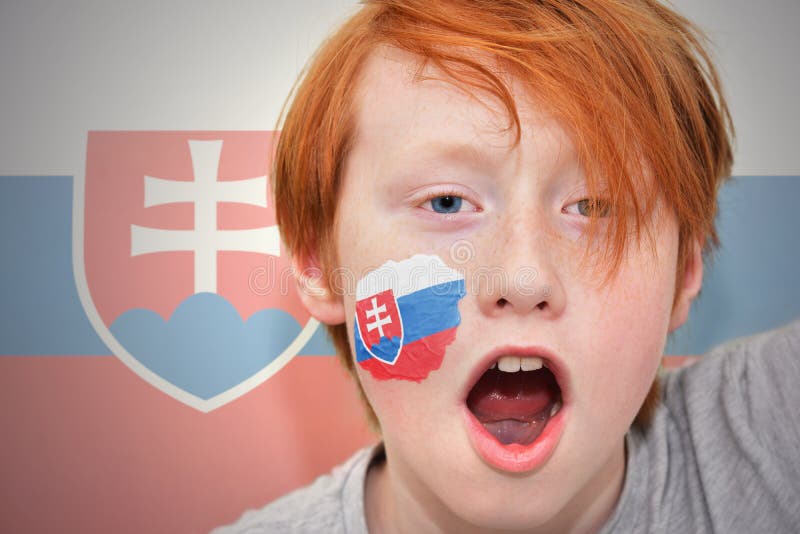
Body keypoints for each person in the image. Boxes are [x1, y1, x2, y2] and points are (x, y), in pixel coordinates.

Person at [215, 1, 800, 532]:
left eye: (594, 207)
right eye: (446, 202)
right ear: (320, 262)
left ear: (684, 269)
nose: (523, 281)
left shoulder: (772, 433)